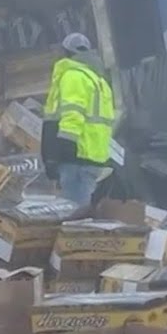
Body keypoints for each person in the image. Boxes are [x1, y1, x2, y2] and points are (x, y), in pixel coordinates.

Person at [42, 32, 116, 209]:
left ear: (66, 52)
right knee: (80, 213)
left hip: (76, 158)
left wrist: (60, 152)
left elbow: (72, 115)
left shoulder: (73, 76)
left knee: (73, 217)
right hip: (93, 158)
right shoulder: (99, 81)